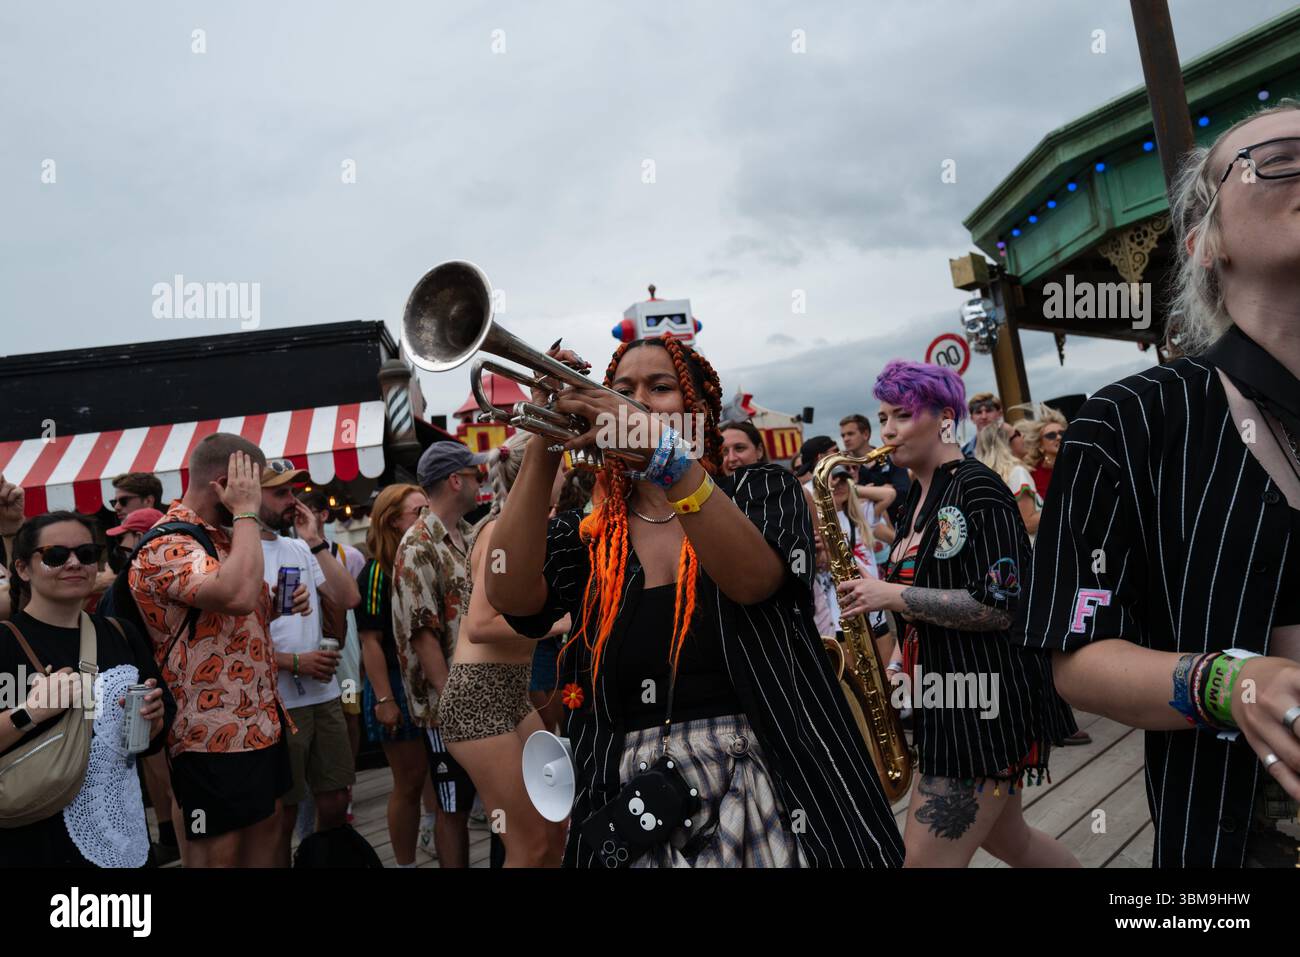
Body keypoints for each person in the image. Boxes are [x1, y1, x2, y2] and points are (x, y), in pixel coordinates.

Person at [486, 335, 905, 868]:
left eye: (659, 388)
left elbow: (751, 581)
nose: (635, 402)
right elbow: (507, 592)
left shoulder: (760, 491)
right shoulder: (590, 532)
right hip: (630, 796)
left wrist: (666, 458)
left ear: (698, 411)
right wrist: (547, 432)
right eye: (621, 391)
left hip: (768, 780)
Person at [1016, 101, 1300, 868]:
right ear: (1204, 243)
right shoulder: (1132, 419)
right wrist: (1230, 681)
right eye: (1281, 157)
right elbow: (1075, 655)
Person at [835, 360, 1078, 867]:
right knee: (1015, 842)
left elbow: (1000, 604)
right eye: (882, 418)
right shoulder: (913, 503)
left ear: (946, 417)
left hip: (984, 707)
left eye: (902, 415)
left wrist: (891, 597)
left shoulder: (977, 488)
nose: (887, 431)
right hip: (945, 702)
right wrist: (900, 656)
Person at [128, 434, 308, 868]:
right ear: (226, 483)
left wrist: (282, 603)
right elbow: (237, 595)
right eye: (250, 483)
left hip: (261, 722)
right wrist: (246, 510)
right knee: (220, 854)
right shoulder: (164, 545)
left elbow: (240, 615)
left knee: (269, 835)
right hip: (209, 735)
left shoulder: (225, 538)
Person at [1, 512, 173, 867]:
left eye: (87, 553)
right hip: (31, 844)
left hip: (122, 839)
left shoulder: (120, 632)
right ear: (22, 568)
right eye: (55, 555)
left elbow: (155, 735)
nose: (74, 563)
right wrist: (29, 713)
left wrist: (153, 721)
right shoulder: (5, 643)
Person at [444, 433, 571, 866]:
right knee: (527, 844)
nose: (568, 471)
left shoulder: (529, 529)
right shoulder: (499, 530)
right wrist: (560, 623)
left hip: (512, 697)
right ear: (539, 472)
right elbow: (479, 626)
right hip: (476, 700)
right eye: (561, 464)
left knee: (556, 829)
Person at [391, 441, 494, 868]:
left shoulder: (467, 534)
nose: (479, 482)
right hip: (448, 706)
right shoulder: (417, 544)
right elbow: (422, 634)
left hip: (482, 693)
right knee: (452, 806)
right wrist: (453, 701)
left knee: (487, 797)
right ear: (455, 481)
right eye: (475, 475)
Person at [258, 460, 361, 864]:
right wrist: (292, 661)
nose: (291, 500)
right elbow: (231, 642)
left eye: (293, 492)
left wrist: (315, 540)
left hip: (323, 694)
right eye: (280, 492)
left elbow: (348, 597)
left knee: (335, 799)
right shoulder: (234, 551)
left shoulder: (300, 547)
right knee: (282, 813)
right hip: (278, 702)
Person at [356, 483, 439, 868]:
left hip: (424, 680)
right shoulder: (376, 570)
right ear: (392, 521)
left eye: (428, 510)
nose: (426, 518)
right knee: (407, 782)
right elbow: (370, 642)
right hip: (392, 683)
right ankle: (405, 864)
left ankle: (431, 832)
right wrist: (385, 699)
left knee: (435, 777)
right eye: (417, 512)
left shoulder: (425, 555)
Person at [299, 488, 367, 821]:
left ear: (322, 516)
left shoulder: (349, 555)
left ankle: (346, 781)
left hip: (347, 648)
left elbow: (352, 602)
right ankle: (319, 790)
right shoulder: (295, 552)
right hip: (312, 647)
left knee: (350, 712)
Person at [840, 413, 911, 524]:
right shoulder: (844, 468)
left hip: (898, 525)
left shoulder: (891, 458)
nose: (846, 439)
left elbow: (904, 493)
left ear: (865, 434)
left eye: (850, 434)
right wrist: (883, 491)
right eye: (843, 435)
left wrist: (866, 495)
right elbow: (845, 503)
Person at [975, 424, 1040, 538]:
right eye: (1017, 434)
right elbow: (1028, 523)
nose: (1023, 435)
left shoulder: (987, 478)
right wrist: (1058, 507)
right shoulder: (1017, 473)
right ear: (1005, 443)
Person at [1013, 404, 1068, 502]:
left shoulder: (1078, 463)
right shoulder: (1032, 473)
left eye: (1062, 433)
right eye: (1051, 435)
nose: (1059, 437)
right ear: (1040, 445)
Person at [962, 393, 1003, 458]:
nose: (984, 417)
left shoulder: (1013, 444)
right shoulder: (963, 454)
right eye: (978, 412)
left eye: (989, 411)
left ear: (1000, 414)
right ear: (972, 418)